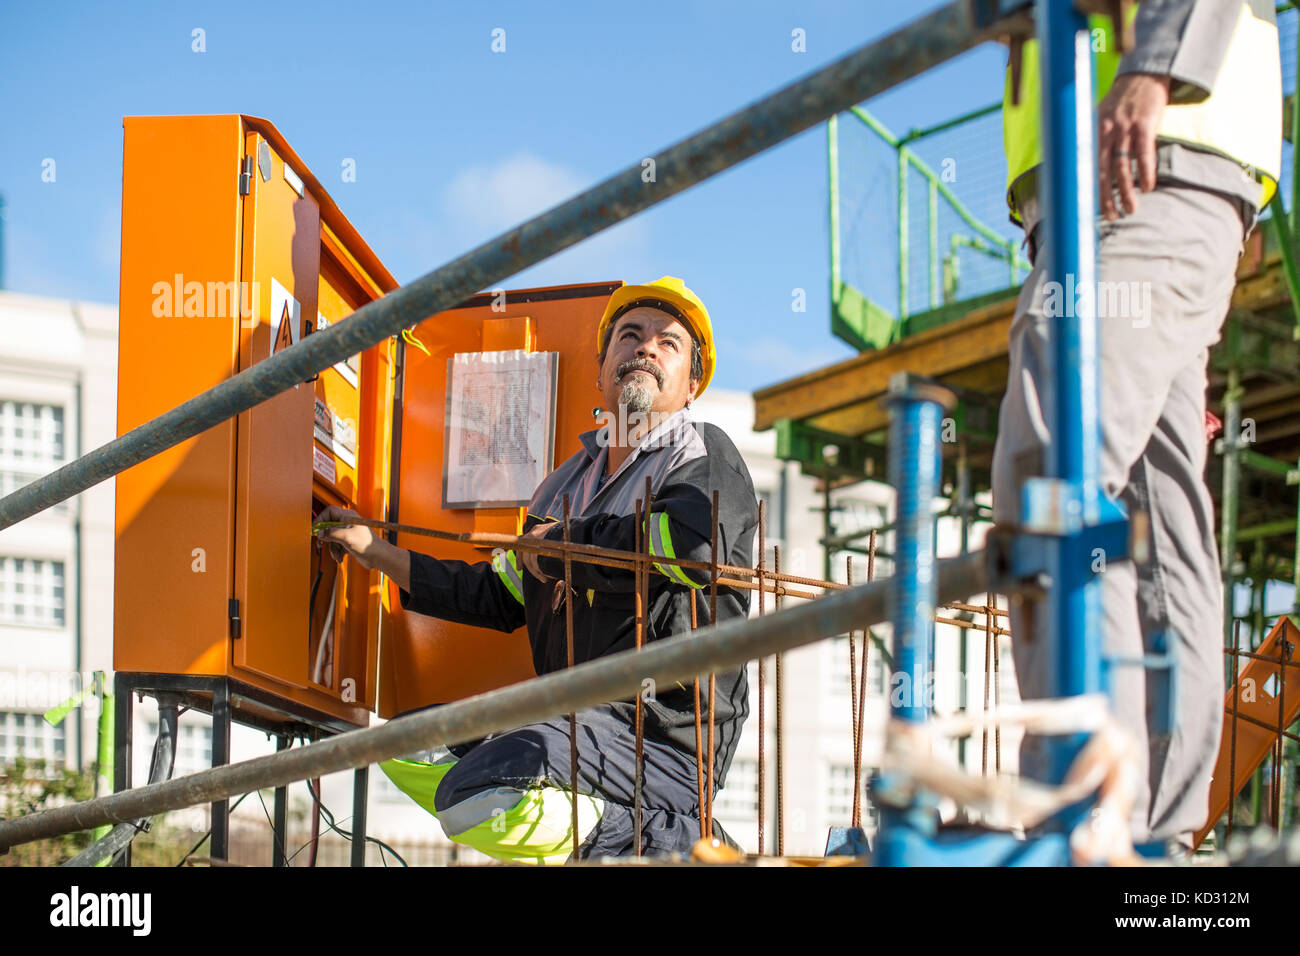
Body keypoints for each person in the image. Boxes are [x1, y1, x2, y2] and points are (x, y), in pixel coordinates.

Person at [316, 276, 759, 863]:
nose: (646, 348)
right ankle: (625, 830)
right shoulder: (562, 484)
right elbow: (499, 594)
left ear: (691, 384)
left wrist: (561, 547)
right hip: (573, 721)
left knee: (484, 789)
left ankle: (671, 834)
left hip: (663, 736)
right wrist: (373, 551)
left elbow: (693, 552)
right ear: (602, 371)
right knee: (405, 745)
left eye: (668, 342)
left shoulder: (701, 451)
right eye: (630, 335)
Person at [994, 0, 1281, 852]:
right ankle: (1153, 838)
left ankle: (1087, 810)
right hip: (1141, 174)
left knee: (1055, 467)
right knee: (1157, 523)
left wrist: (1154, 65)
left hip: (1142, 158)